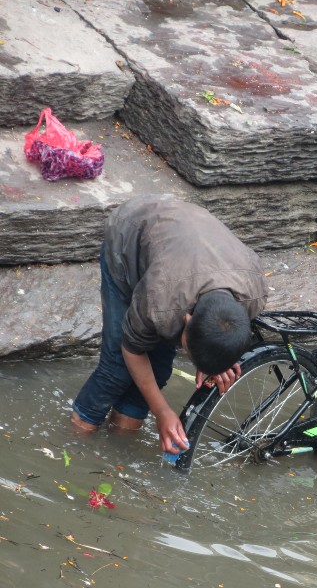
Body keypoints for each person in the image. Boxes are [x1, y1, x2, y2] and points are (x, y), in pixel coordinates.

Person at [70, 195, 268, 456]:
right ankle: (74, 448)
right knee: (116, 369)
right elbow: (132, 349)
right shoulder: (162, 299)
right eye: (187, 349)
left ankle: (117, 452)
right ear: (186, 320)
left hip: (191, 254)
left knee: (159, 371)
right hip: (129, 236)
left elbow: (227, 331)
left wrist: (219, 358)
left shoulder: (253, 295)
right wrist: (162, 412)